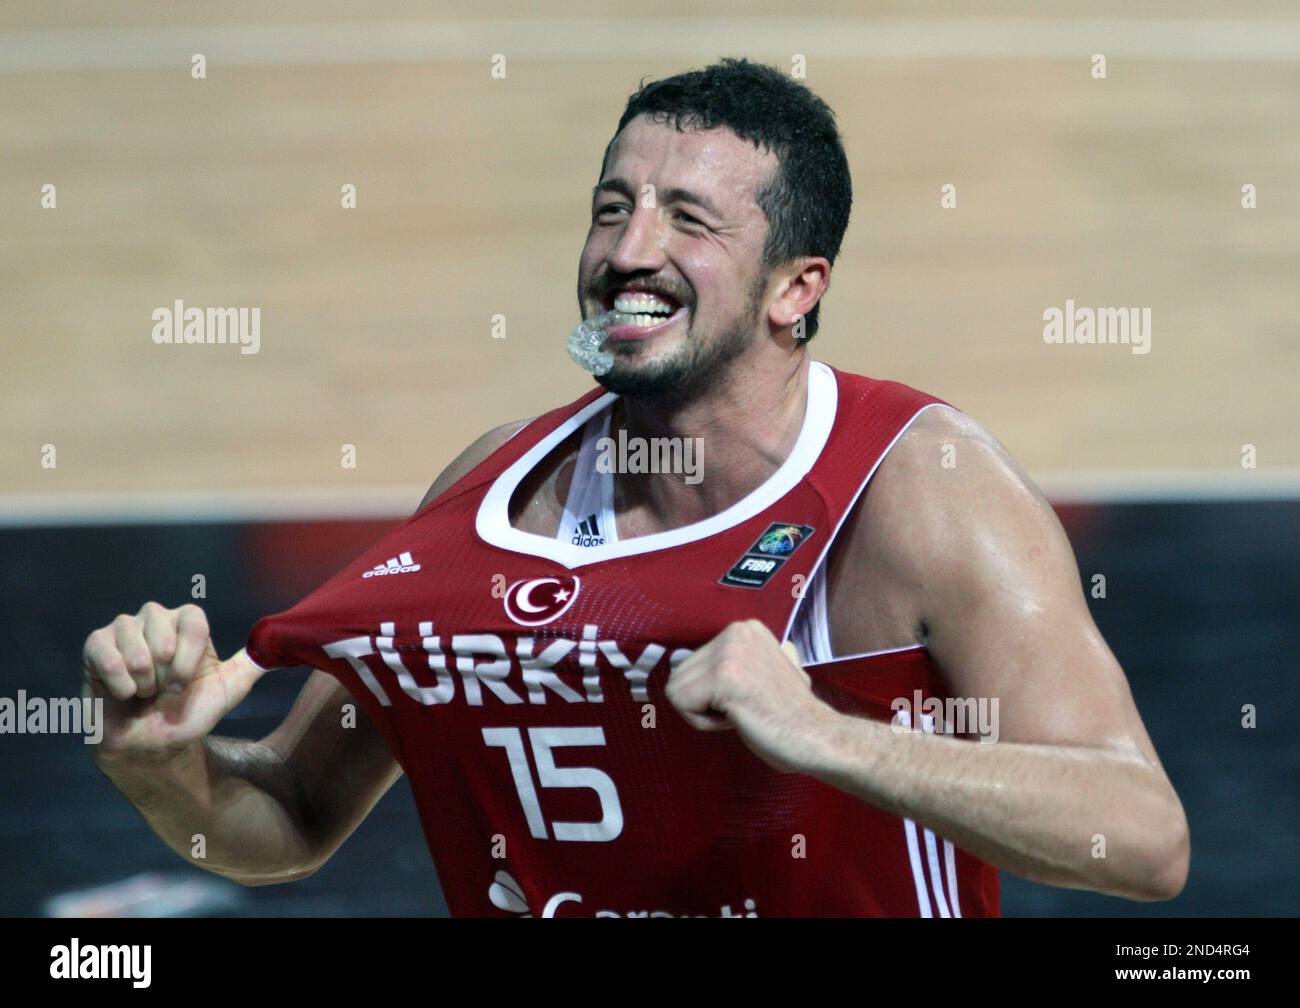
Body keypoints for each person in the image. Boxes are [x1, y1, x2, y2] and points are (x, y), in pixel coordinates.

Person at [83, 58, 1188, 917]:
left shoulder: (913, 488)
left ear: (795, 289)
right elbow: (289, 814)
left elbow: (1141, 836)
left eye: (688, 222)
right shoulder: (490, 493)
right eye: (612, 208)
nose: (627, 250)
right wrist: (165, 771)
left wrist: (827, 734)